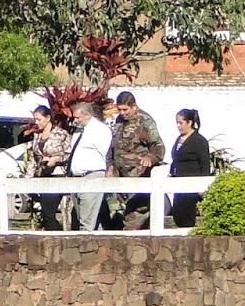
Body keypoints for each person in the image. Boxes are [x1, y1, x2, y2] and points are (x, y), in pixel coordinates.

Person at [109, 90, 165, 230]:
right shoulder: (119, 121)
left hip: (137, 175)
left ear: (134, 106)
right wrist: (110, 167)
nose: (122, 113)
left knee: (135, 216)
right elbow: (113, 147)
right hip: (120, 177)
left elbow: (159, 147)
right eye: (119, 109)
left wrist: (150, 158)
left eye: (125, 109)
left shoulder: (145, 121)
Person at [67, 101, 113, 231]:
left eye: (77, 117)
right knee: (81, 216)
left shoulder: (100, 130)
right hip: (76, 177)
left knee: (87, 219)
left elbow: (105, 152)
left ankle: (85, 247)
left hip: (91, 175)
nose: (75, 121)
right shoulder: (78, 131)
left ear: (87, 115)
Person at [27, 104, 72, 231]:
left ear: (47, 118)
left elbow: (68, 154)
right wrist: (28, 178)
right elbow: (33, 158)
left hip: (57, 176)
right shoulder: (37, 136)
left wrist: (56, 160)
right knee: (44, 214)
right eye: (35, 119)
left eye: (39, 119)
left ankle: (60, 237)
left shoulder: (61, 134)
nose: (36, 122)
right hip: (42, 176)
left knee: (48, 213)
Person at [169, 109, 210, 228]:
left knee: (188, 216)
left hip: (191, 185)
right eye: (177, 123)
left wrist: (202, 186)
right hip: (178, 185)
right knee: (177, 215)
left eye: (180, 123)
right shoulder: (179, 139)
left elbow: (205, 164)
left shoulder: (199, 141)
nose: (178, 126)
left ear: (190, 122)